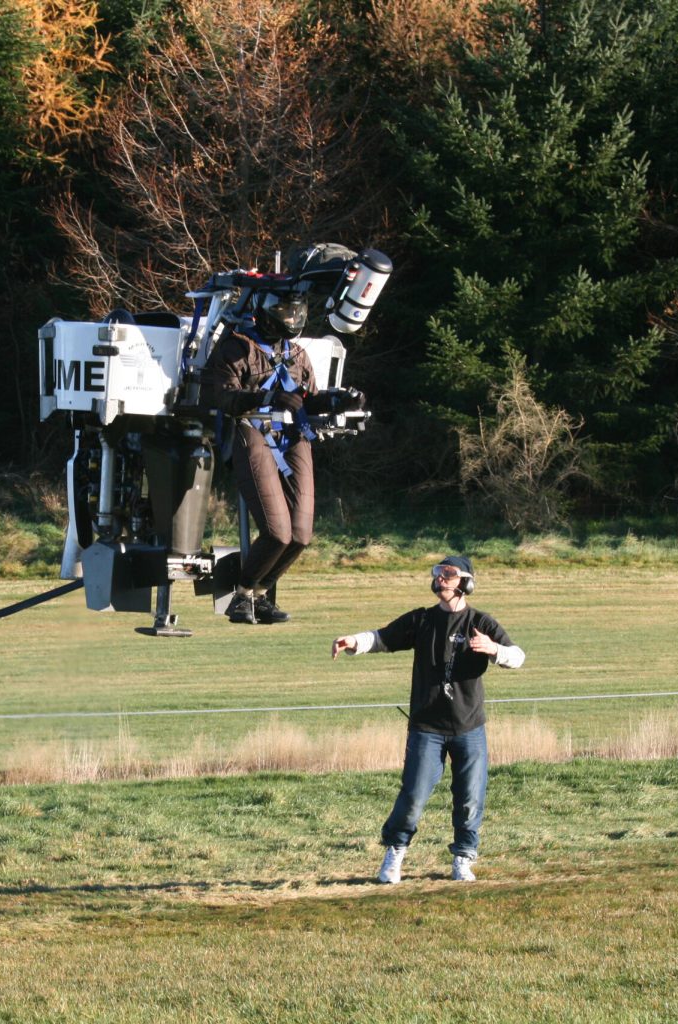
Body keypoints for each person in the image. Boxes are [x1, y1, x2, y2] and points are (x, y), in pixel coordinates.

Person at [330, 555, 525, 883]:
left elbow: (517, 657)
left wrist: (494, 650)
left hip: (469, 728)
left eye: (448, 574)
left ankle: (463, 859)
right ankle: (394, 854)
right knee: (413, 796)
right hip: (426, 728)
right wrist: (354, 642)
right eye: (438, 573)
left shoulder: (481, 622)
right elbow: (382, 638)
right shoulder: (421, 621)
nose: (440, 579)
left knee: (470, 799)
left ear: (466, 583)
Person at [202, 289, 320, 625]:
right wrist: (270, 395)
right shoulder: (237, 348)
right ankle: (240, 596)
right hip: (251, 430)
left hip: (293, 436)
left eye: (297, 312)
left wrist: (340, 401)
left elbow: (308, 400)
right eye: (285, 311)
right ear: (268, 312)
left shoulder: (297, 353)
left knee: (300, 534)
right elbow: (225, 398)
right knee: (277, 531)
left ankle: (260, 594)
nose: (292, 319)